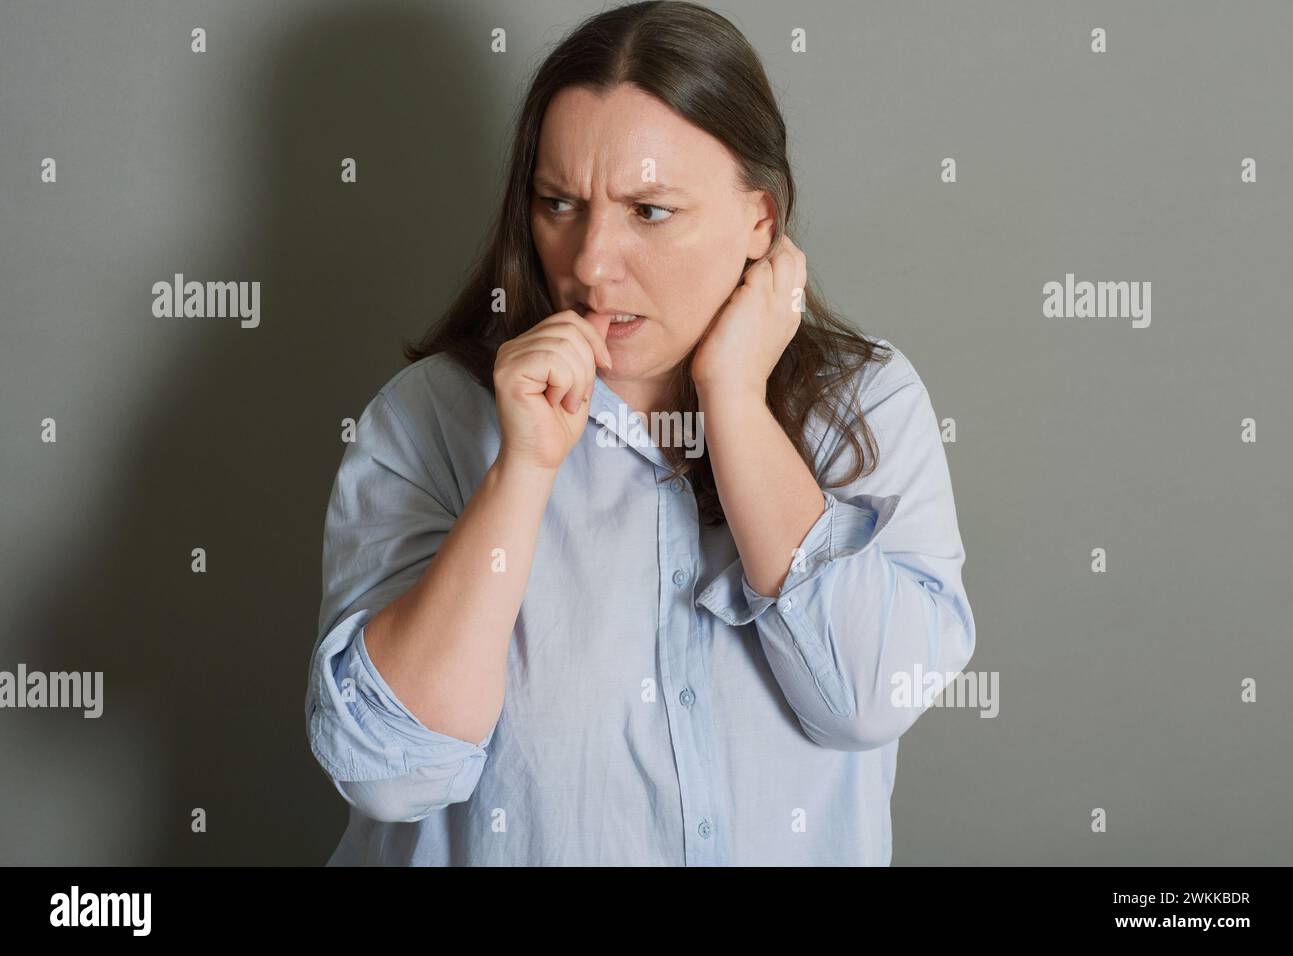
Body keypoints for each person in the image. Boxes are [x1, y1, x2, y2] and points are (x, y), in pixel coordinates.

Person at [304, 0, 976, 866]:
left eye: (650, 211)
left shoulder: (865, 407)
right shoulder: (429, 419)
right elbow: (389, 775)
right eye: (559, 203)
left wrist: (732, 398)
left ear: (759, 223)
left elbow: (867, 700)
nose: (587, 263)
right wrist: (523, 470)